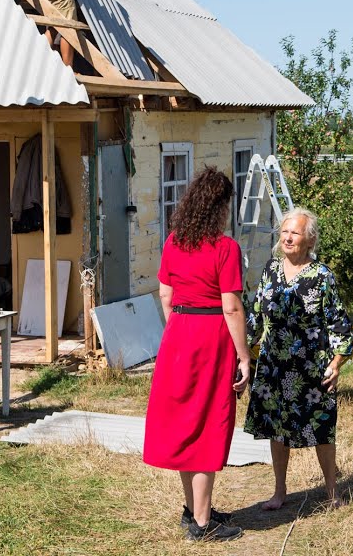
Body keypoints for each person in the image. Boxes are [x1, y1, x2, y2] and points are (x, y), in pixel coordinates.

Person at [143, 166, 251, 542]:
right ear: (220, 206)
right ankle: (203, 525)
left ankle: (194, 510)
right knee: (206, 425)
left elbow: (165, 296)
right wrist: (245, 356)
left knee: (185, 423)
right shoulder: (226, 248)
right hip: (211, 338)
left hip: (178, 335)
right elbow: (232, 308)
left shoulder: (174, 241)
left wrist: (180, 330)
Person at [243, 207, 353, 511]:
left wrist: (336, 363)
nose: (288, 237)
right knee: (278, 430)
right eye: (285, 231)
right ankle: (280, 492)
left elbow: (339, 323)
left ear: (309, 239)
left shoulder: (322, 276)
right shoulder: (270, 269)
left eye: (295, 232)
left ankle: (332, 493)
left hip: (311, 365)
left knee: (322, 429)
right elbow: (254, 317)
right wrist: (241, 355)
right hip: (274, 365)